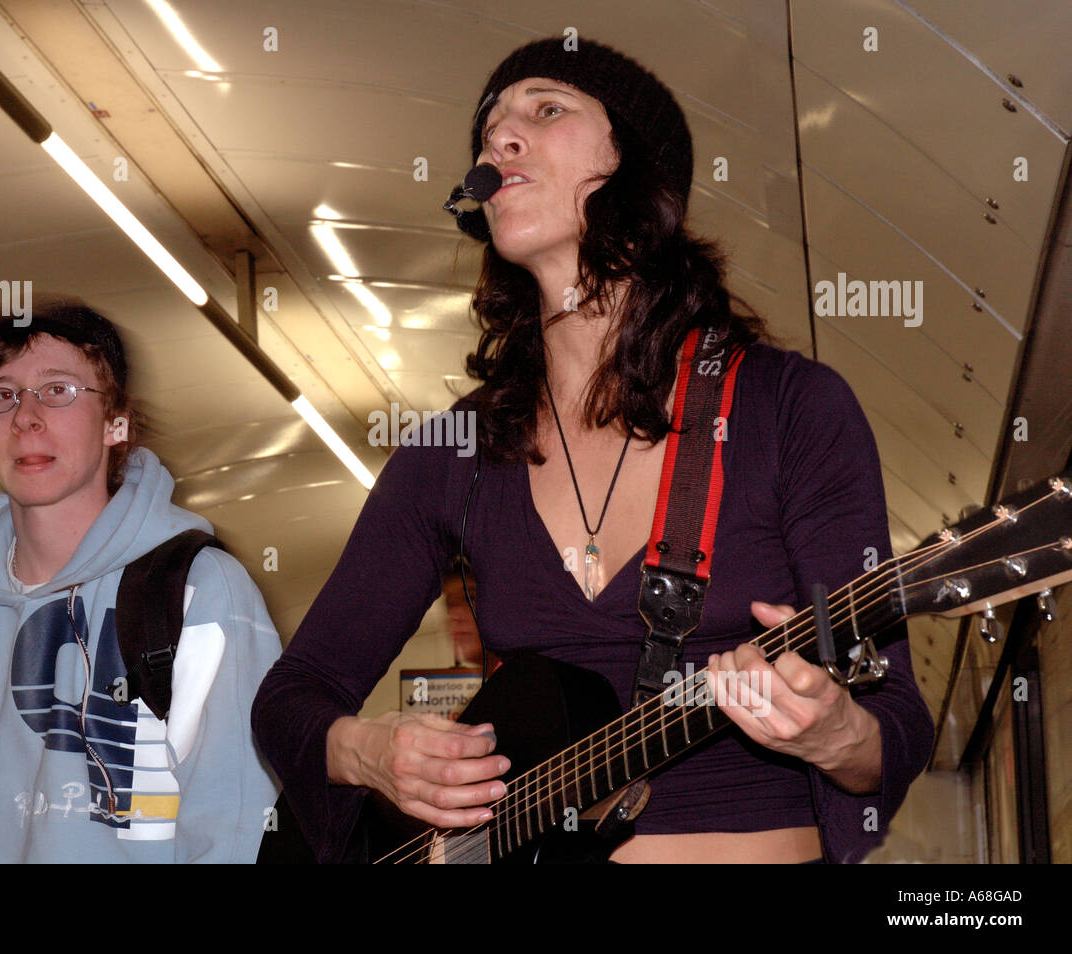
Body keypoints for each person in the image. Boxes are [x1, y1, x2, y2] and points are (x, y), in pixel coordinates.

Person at [252, 37, 935, 864]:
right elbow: (292, 696)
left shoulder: (791, 410)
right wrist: (370, 752)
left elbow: (893, 725)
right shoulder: (455, 454)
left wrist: (832, 732)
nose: (498, 139)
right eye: (490, 128)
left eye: (545, 110)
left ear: (640, 173)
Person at [0, 298, 280, 862]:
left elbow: (232, 824)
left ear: (117, 423)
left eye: (58, 390)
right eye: (1, 394)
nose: (25, 417)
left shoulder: (196, 592)